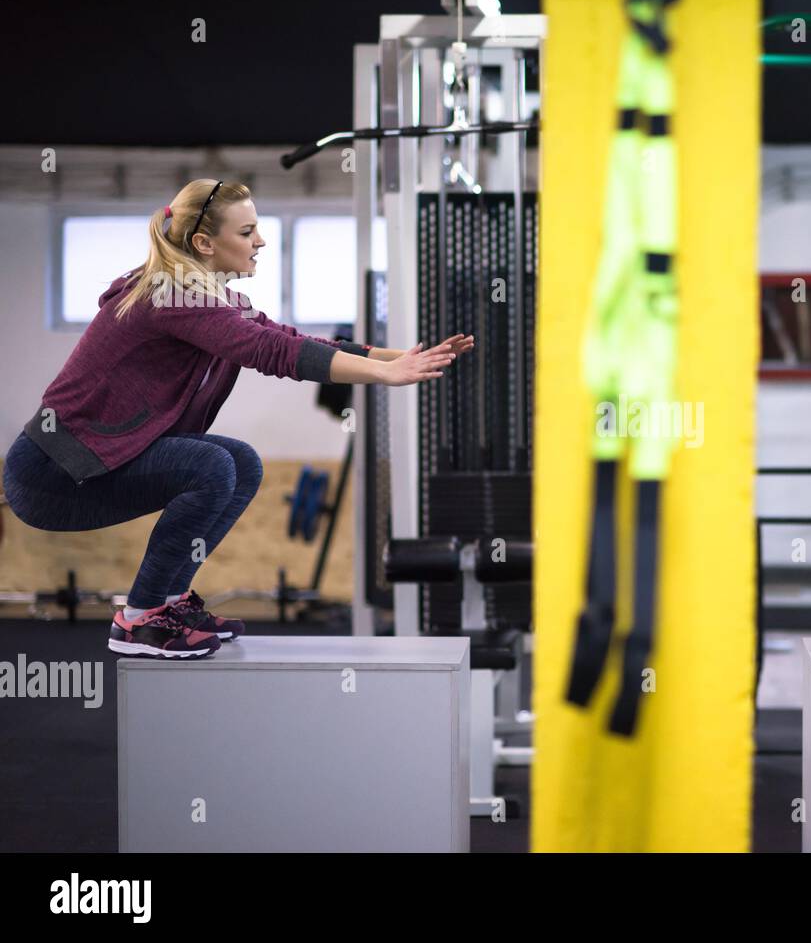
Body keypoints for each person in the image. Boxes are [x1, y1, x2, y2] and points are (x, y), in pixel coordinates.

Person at [2, 179, 473, 658]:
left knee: (241, 462)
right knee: (210, 468)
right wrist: (386, 375)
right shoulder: (172, 298)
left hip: (81, 465)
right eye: (247, 232)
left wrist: (402, 357)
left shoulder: (212, 300)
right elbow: (273, 352)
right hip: (52, 474)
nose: (261, 242)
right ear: (205, 243)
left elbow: (287, 337)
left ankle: (167, 604)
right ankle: (140, 619)